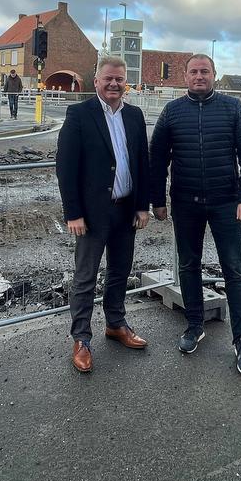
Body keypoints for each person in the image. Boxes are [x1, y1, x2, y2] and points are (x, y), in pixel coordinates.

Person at [150, 54, 241, 376]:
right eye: (194, 72)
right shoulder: (172, 112)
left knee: (235, 269)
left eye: (205, 71)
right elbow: (156, 158)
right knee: (188, 264)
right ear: (185, 76)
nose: (199, 76)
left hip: (227, 203)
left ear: (214, 74)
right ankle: (194, 324)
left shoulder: (232, 109)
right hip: (186, 203)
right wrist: (157, 200)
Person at [56, 57, 151, 373]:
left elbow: (142, 163)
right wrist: (73, 213)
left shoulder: (135, 116)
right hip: (93, 214)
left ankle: (115, 323)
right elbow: (66, 167)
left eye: (119, 79)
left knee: (120, 272)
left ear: (126, 83)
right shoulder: (80, 114)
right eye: (108, 78)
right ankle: (81, 338)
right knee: (85, 277)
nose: (114, 84)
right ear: (96, 81)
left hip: (126, 210)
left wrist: (143, 205)